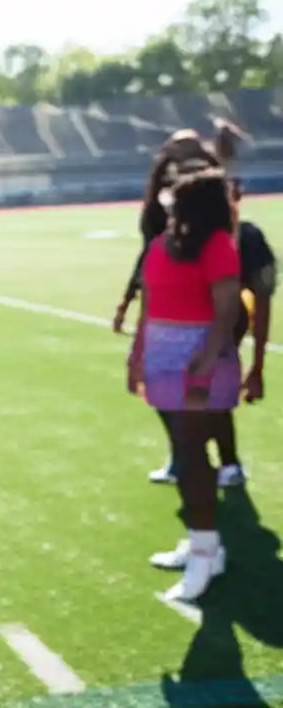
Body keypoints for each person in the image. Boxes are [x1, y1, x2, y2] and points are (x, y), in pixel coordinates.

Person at [114, 127, 271, 488]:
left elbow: (260, 300)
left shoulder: (239, 239)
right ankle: (186, 457)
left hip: (216, 324)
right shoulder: (170, 236)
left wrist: (257, 365)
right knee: (172, 397)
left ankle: (225, 462)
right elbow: (148, 260)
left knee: (210, 397)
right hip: (175, 328)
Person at [128, 165, 241, 601]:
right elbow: (150, 304)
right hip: (162, 353)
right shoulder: (162, 245)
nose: (167, 205)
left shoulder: (216, 246)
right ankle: (203, 542)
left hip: (198, 357)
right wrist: (137, 355)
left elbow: (227, 307)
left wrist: (206, 362)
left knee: (193, 454)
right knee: (183, 450)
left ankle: (204, 549)